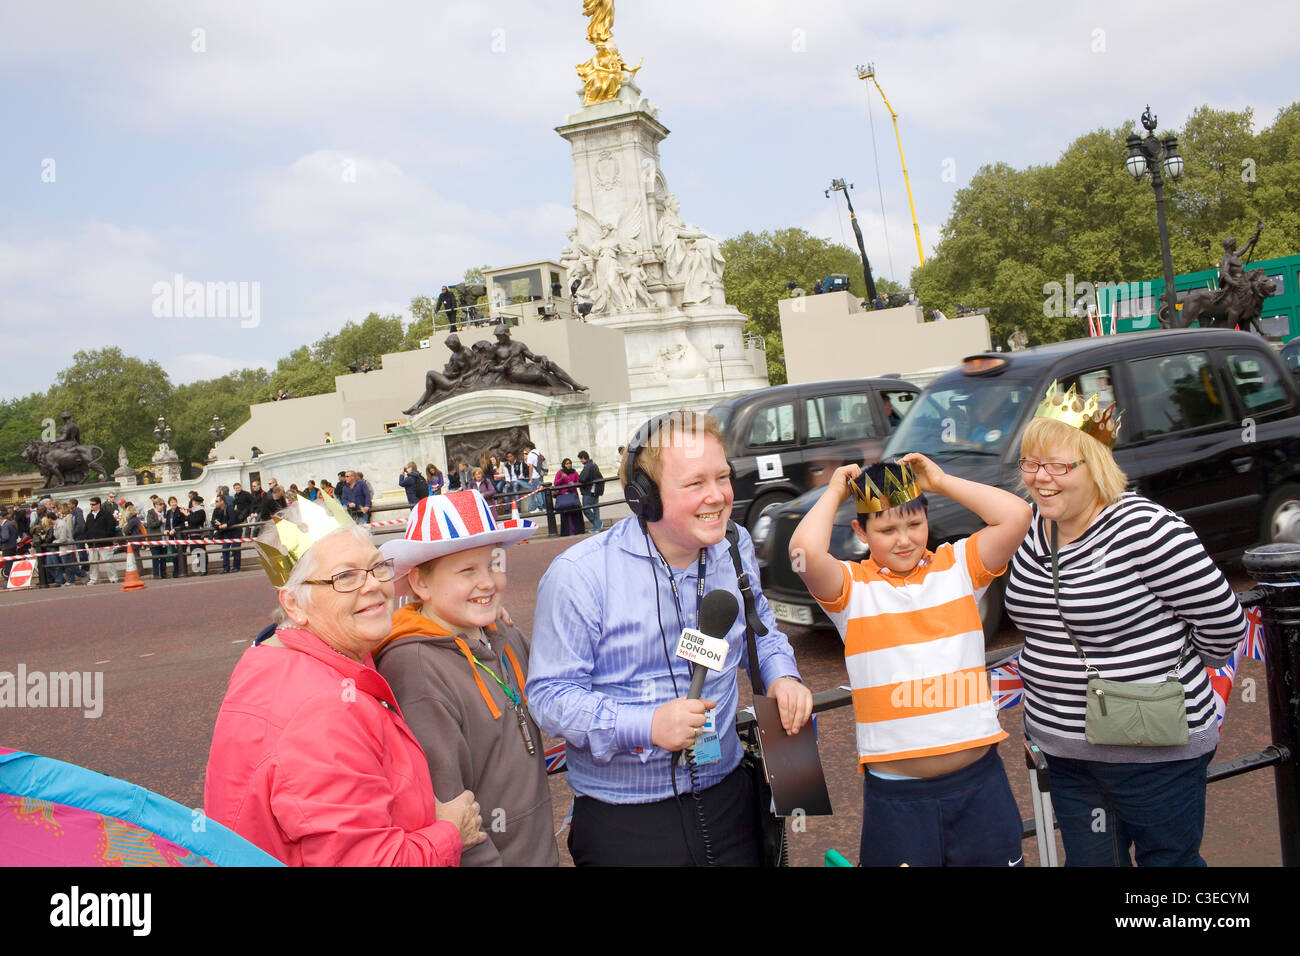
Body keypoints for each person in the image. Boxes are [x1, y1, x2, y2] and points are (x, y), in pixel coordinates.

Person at [527, 410, 813, 866]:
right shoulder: (580, 576)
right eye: (696, 483)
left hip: (729, 799)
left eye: (723, 476)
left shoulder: (734, 547)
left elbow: (763, 629)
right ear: (647, 497)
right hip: (627, 823)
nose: (718, 496)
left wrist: (783, 677)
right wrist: (648, 725)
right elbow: (549, 698)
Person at [1004, 383, 1248, 867]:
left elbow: (1224, 624)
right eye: (1031, 464)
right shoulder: (1032, 528)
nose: (1039, 478)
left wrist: (1159, 671)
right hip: (1065, 751)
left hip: (1153, 751)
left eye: (1057, 465)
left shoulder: (1147, 528)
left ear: (1094, 466)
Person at [204, 496, 485, 865]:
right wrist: (450, 832)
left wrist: (471, 615)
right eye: (344, 577)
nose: (372, 586)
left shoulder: (274, 656)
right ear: (293, 605)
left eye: (376, 567)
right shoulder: (324, 711)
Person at [788, 457, 1032, 866]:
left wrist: (941, 480)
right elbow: (804, 552)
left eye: (914, 524)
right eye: (886, 530)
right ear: (860, 532)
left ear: (927, 519)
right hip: (897, 799)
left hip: (980, 784)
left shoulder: (958, 565)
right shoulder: (853, 589)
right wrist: (834, 492)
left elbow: (1017, 515)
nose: (904, 539)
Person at [374, 490, 556, 866]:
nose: (488, 582)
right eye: (467, 571)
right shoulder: (417, 670)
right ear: (421, 583)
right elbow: (450, 807)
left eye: (492, 565)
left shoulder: (502, 637)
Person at [84, 496, 120, 586]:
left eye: (93, 504)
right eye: (90, 504)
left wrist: (106, 536)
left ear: (99, 504)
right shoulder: (89, 516)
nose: (91, 506)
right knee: (93, 563)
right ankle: (94, 579)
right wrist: (88, 539)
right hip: (92, 543)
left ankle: (113, 578)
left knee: (108, 561)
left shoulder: (106, 514)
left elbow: (111, 527)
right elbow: (86, 529)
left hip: (104, 542)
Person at [552, 458, 583, 536]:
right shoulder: (560, 472)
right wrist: (562, 478)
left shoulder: (574, 472)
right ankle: (568, 532)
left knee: (575, 512)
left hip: (573, 495)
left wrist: (574, 483)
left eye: (569, 463)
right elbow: (555, 483)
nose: (568, 465)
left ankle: (577, 530)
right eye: (566, 463)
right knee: (566, 514)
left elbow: (578, 482)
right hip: (564, 496)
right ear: (564, 465)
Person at [576, 450, 604, 533]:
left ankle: (598, 524)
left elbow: (583, 479)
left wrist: (579, 478)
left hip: (589, 490)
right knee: (595, 508)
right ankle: (597, 526)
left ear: (583, 458)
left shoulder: (588, 466)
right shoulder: (593, 464)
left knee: (586, 509)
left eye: (580, 459)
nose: (580, 461)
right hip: (596, 489)